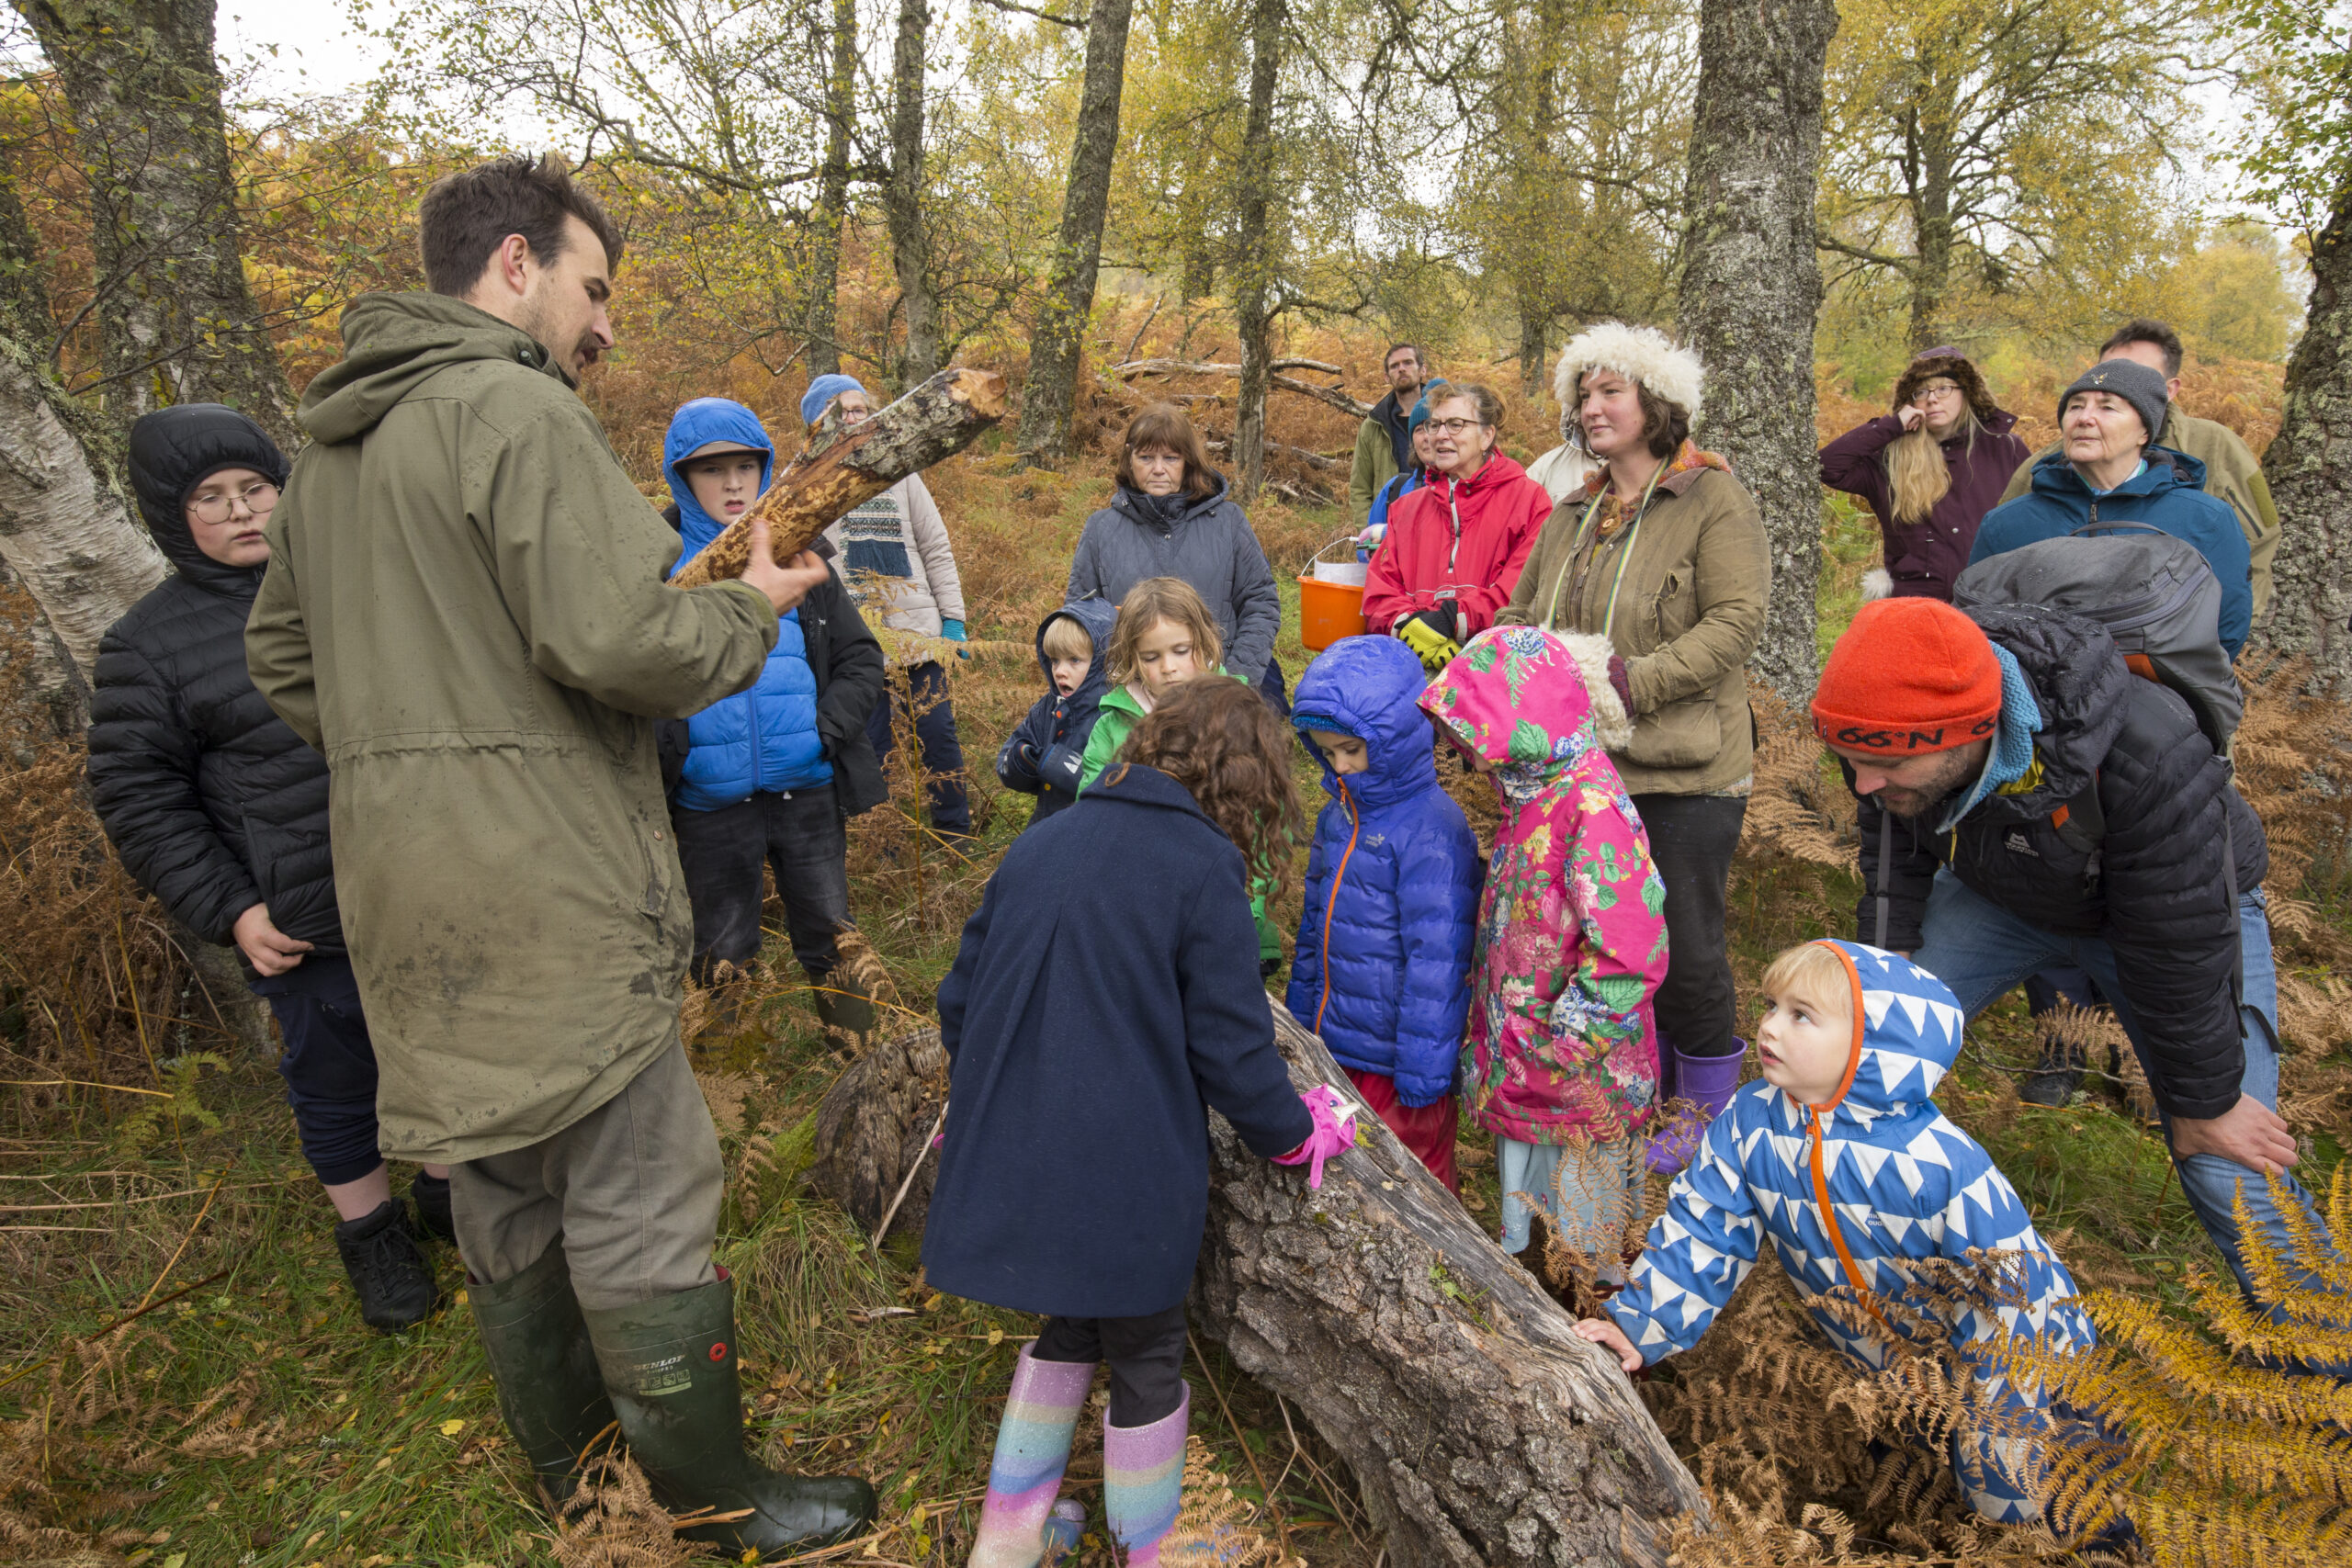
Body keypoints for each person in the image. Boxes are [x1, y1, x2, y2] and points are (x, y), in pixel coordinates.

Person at [245, 153, 876, 1545]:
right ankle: (711, 1497)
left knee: (502, 1173)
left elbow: (280, 653)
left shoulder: (334, 446)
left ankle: (572, 1464)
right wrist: (756, 604)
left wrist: (414, 735)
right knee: (642, 1170)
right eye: (594, 291)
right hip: (545, 881)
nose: (603, 327)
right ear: (516, 265)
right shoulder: (512, 412)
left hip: (403, 892)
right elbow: (621, 642)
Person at [1813, 597, 2350, 1365]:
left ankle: (2328, 1366)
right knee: (1848, 1057)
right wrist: (1883, 987)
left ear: (1974, 730)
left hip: (2172, 910)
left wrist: (2203, 1103)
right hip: (2012, 893)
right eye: (1854, 759)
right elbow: (1893, 860)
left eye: (1889, 766)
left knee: (2226, 1162)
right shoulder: (1880, 719)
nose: (1862, 784)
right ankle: (1872, 1303)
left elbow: (2182, 936)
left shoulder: (2145, 748)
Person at [928, 679, 1348, 1568]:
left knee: (1073, 1323)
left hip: (1020, 1146)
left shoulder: (1046, 840)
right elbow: (1233, 1049)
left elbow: (957, 995)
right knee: (1149, 1349)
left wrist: (980, 1103)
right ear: (1245, 787)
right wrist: (1293, 1134)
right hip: (1124, 1174)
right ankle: (1147, 1549)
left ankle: (1005, 1544)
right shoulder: (1202, 869)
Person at [88, 405, 450, 1335]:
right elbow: (139, 798)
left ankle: (452, 1195)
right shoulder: (148, 644)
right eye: (211, 499)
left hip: (422, 874)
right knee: (336, 1076)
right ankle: (372, 1234)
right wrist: (231, 906)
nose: (242, 511)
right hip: (298, 914)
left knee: (445, 1043)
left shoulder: (353, 580)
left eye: (255, 487)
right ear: (174, 519)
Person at [1576, 941, 2107, 1531]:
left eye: (1801, 1015)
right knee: (1911, 1474)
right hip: (1880, 1366)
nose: (1770, 1026)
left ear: (1874, 1044)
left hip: (2020, 1365)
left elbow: (2013, 1291)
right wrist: (1636, 1323)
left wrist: (1999, 1433)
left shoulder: (1937, 1164)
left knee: (2043, 1496)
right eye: (1772, 1005)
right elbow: (1705, 1228)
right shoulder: (1751, 1122)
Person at [1498, 321, 1770, 1176]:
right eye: (1584, 392)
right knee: (1587, 944)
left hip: (1684, 770)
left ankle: (1702, 1119)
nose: (1592, 405)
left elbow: (1737, 622)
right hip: (1575, 773)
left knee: (1683, 946)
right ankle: (1621, 1099)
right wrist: (1506, 671)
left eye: (1611, 390)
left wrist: (1630, 682)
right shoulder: (1572, 510)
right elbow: (1521, 614)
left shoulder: (1712, 500)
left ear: (1656, 404)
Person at [1419, 626, 1669, 1263]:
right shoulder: (1532, 795)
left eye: (1472, 739)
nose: (1466, 756)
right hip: (1533, 1060)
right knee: (1534, 1211)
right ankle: (1538, 1281)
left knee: (1587, 1225)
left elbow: (1631, 944)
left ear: (1518, 725)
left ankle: (1596, 1316)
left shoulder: (1590, 806)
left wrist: (1568, 1041)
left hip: (1578, 1074)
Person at [655, 397, 888, 1048]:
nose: (732, 483)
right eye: (711, 470)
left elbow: (861, 659)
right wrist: (679, 759)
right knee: (723, 951)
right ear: (681, 476)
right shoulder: (661, 568)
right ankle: (737, 1080)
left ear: (767, 468)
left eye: (745, 466)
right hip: (709, 805)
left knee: (832, 935)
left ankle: (857, 1056)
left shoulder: (800, 559)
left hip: (806, 793)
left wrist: (824, 733)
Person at [1287, 636, 1483, 1190]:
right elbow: (1312, 929)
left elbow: (1439, 962)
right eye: (1327, 753)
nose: (1341, 766)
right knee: (1346, 1181)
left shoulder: (1433, 830)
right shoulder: (1338, 818)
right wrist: (1302, 1027)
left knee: (1410, 1178)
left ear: (1396, 739)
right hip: (1335, 1046)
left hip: (1396, 1064)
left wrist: (1423, 1069)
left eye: (1352, 749)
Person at [1997, 318, 2282, 617]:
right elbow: (2003, 546)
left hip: (2176, 641)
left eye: (2139, 375)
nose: (2119, 381)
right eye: (2109, 372)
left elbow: (2261, 540)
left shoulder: (2215, 445)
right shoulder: (2047, 464)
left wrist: (2225, 636)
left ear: (2171, 389)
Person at [1971, 357, 2251, 659]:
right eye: (2076, 406)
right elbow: (1977, 625)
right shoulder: (2007, 524)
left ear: (2145, 432)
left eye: (2107, 407)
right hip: (2034, 699)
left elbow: (2225, 632)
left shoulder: (2206, 520)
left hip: (2156, 698)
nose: (2084, 418)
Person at [1078, 580, 1283, 974]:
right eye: (1151, 656)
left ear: (1204, 643)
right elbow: (1091, 818)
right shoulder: (1112, 728)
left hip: (1230, 908)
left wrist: (1249, 910)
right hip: (1144, 917)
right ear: (1132, 658)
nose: (1168, 667)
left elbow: (1263, 823)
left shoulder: (1237, 716)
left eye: (1180, 651)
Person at [809, 373, 975, 846]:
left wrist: (954, 621)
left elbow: (935, 547)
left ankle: (953, 834)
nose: (856, 417)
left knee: (938, 736)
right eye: (843, 410)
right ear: (818, 422)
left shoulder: (901, 473)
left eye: (862, 408)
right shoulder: (810, 485)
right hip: (857, 646)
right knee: (873, 748)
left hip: (920, 636)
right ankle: (883, 845)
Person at [1068, 402, 1284, 711]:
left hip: (1219, 691)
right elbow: (1080, 619)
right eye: (1146, 458)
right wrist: (1117, 691)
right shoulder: (1101, 528)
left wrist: (1234, 682)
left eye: (1170, 458)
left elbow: (1261, 604)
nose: (1158, 469)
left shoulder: (1228, 521)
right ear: (1130, 460)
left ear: (1188, 462)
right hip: (1131, 697)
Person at [1363, 382, 1552, 669]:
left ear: (1486, 435)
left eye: (1455, 424)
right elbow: (1380, 593)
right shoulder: (1405, 510)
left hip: (1498, 670)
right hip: (1410, 665)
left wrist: (1451, 620)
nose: (1439, 435)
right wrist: (1410, 627)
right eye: (1433, 424)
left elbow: (1522, 591)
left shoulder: (1529, 501)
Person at [1817, 345, 2030, 602]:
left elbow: (2035, 516)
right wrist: (1892, 425)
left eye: (1944, 388)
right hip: (1915, 609)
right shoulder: (1889, 460)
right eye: (1922, 391)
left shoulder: (2006, 448)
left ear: (1967, 393)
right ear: (1911, 402)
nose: (1932, 399)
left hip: (1990, 606)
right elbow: (1828, 466)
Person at [995, 598, 1118, 829]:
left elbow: (1115, 786)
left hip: (1094, 832)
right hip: (1048, 825)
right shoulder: (1049, 708)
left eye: (1074, 660)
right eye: (1054, 660)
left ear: (1104, 662)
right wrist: (1022, 760)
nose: (1060, 671)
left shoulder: (1115, 714)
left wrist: (1057, 763)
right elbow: (1004, 762)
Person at [1358, 378, 1447, 557]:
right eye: (1419, 430)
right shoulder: (1395, 488)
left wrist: (1392, 537)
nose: (1427, 437)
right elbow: (1362, 548)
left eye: (1433, 426)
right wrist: (1376, 548)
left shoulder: (1467, 489)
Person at [1350, 342, 1430, 525]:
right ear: (1387, 377)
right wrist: (1369, 536)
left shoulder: (1444, 417)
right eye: (1395, 366)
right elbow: (1359, 489)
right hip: (1390, 527)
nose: (1401, 369)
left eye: (1408, 363)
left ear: (1422, 369)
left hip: (1437, 522)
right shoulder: (1373, 426)